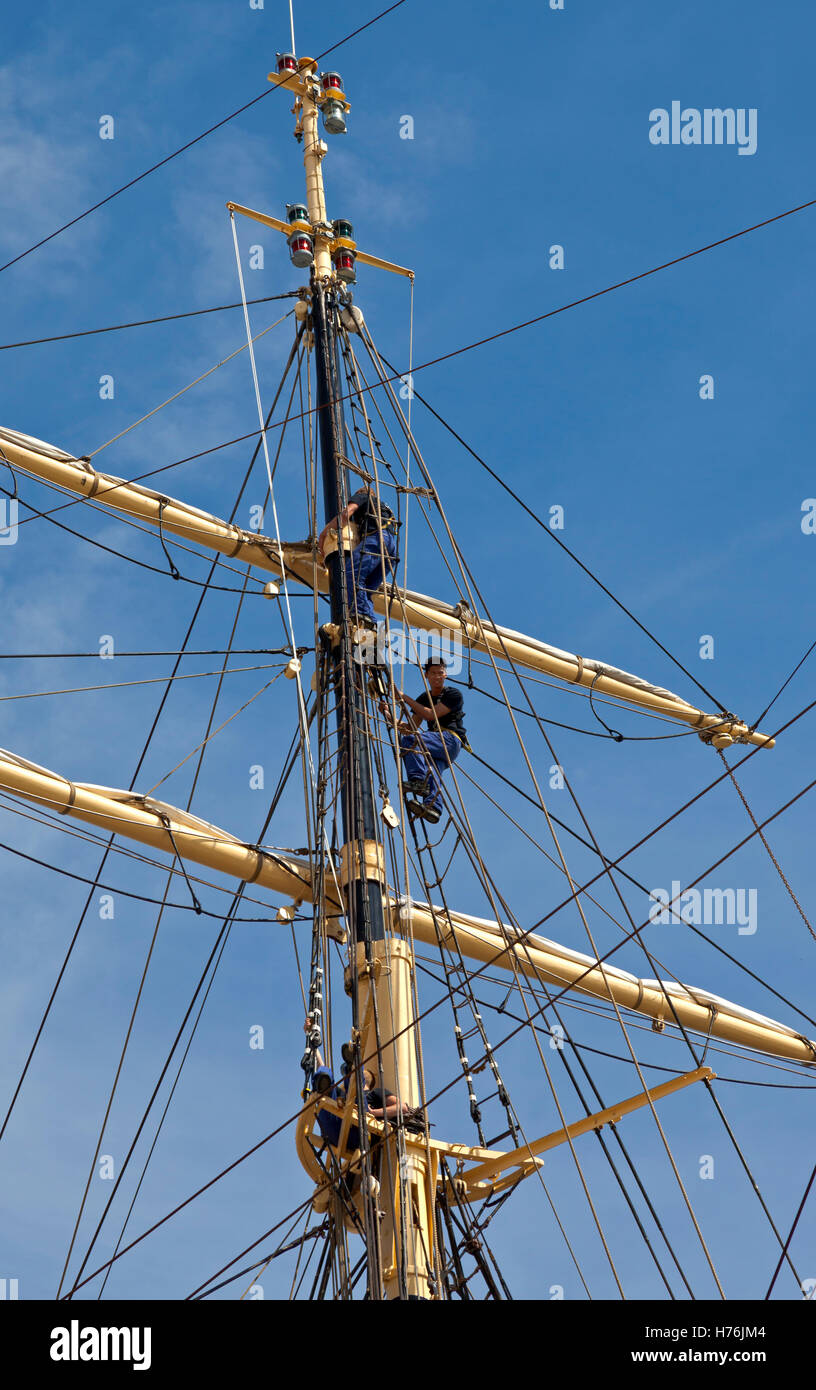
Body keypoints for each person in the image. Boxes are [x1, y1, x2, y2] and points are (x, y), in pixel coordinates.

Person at [388, 658, 466, 824]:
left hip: (450, 739)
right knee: (432, 771)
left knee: (411, 741)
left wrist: (403, 697)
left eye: (441, 673)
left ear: (445, 674)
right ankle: (433, 807)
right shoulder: (425, 698)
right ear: (426, 675)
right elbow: (410, 727)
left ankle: (417, 781)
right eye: (433, 673)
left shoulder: (453, 695)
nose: (438, 677)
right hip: (436, 744)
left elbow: (431, 715)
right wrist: (387, 714)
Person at [317, 485, 399, 627]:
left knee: (351, 574)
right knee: (365, 588)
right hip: (391, 550)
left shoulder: (363, 497)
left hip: (377, 539)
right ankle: (370, 624)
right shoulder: (382, 506)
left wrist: (324, 533)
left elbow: (346, 514)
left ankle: (361, 615)